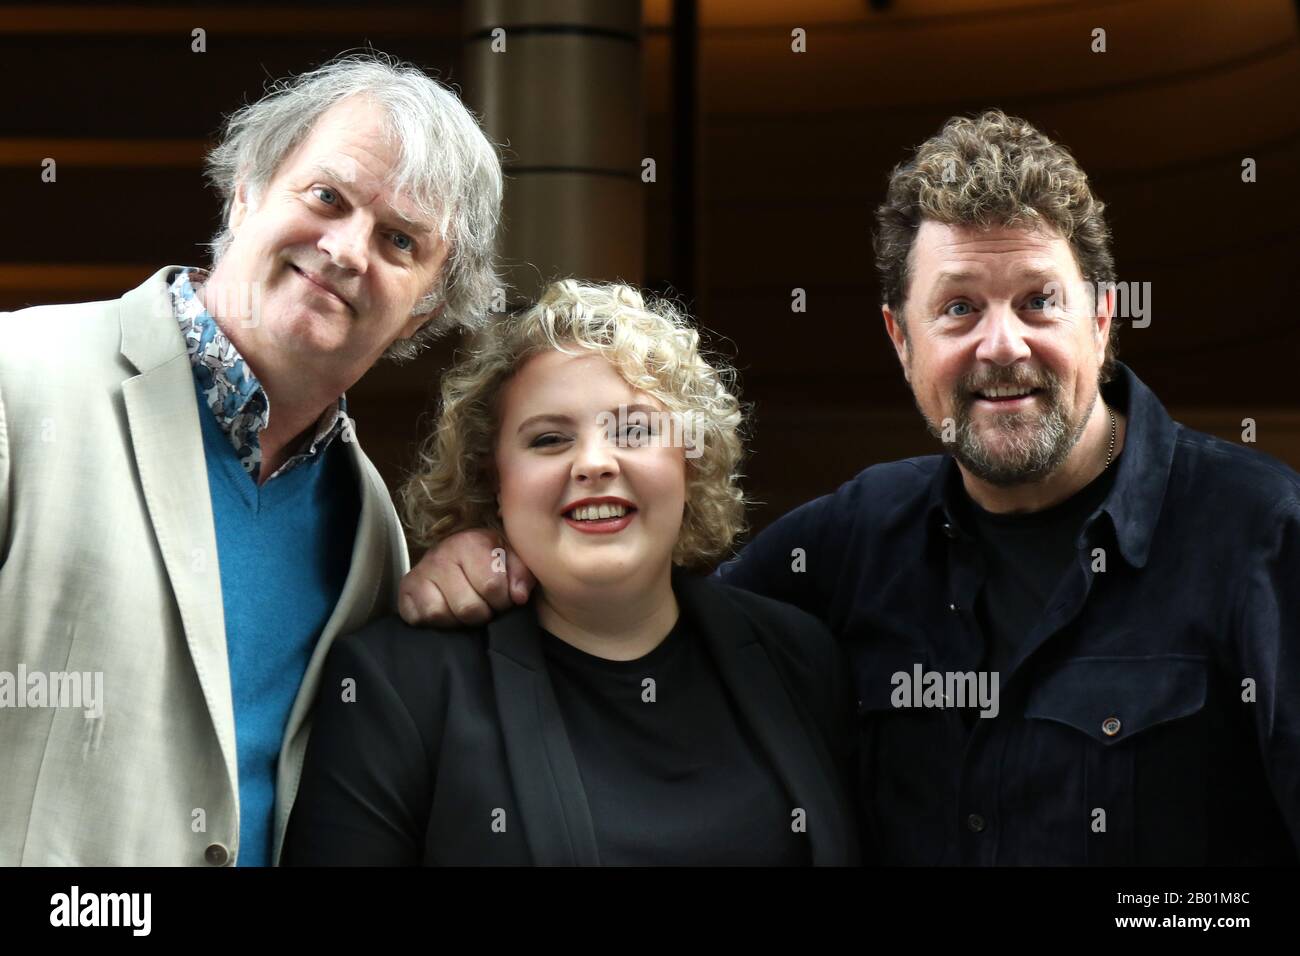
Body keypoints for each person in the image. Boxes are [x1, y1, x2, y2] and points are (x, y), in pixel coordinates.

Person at [397, 110, 1300, 865]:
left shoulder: (1262, 534)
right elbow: (634, 622)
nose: (1001, 346)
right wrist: (491, 550)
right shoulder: (847, 542)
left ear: (1104, 318)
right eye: (956, 308)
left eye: (1038, 301)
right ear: (900, 340)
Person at [0, 52, 502, 866]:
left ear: (425, 312)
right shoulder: (16, 381)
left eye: (400, 241)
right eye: (327, 197)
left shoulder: (372, 532)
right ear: (246, 191)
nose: (346, 249)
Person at [283, 280, 860, 865]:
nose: (593, 463)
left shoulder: (800, 659)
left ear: (691, 461)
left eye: (633, 431)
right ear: (495, 483)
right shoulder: (395, 687)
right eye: (550, 439)